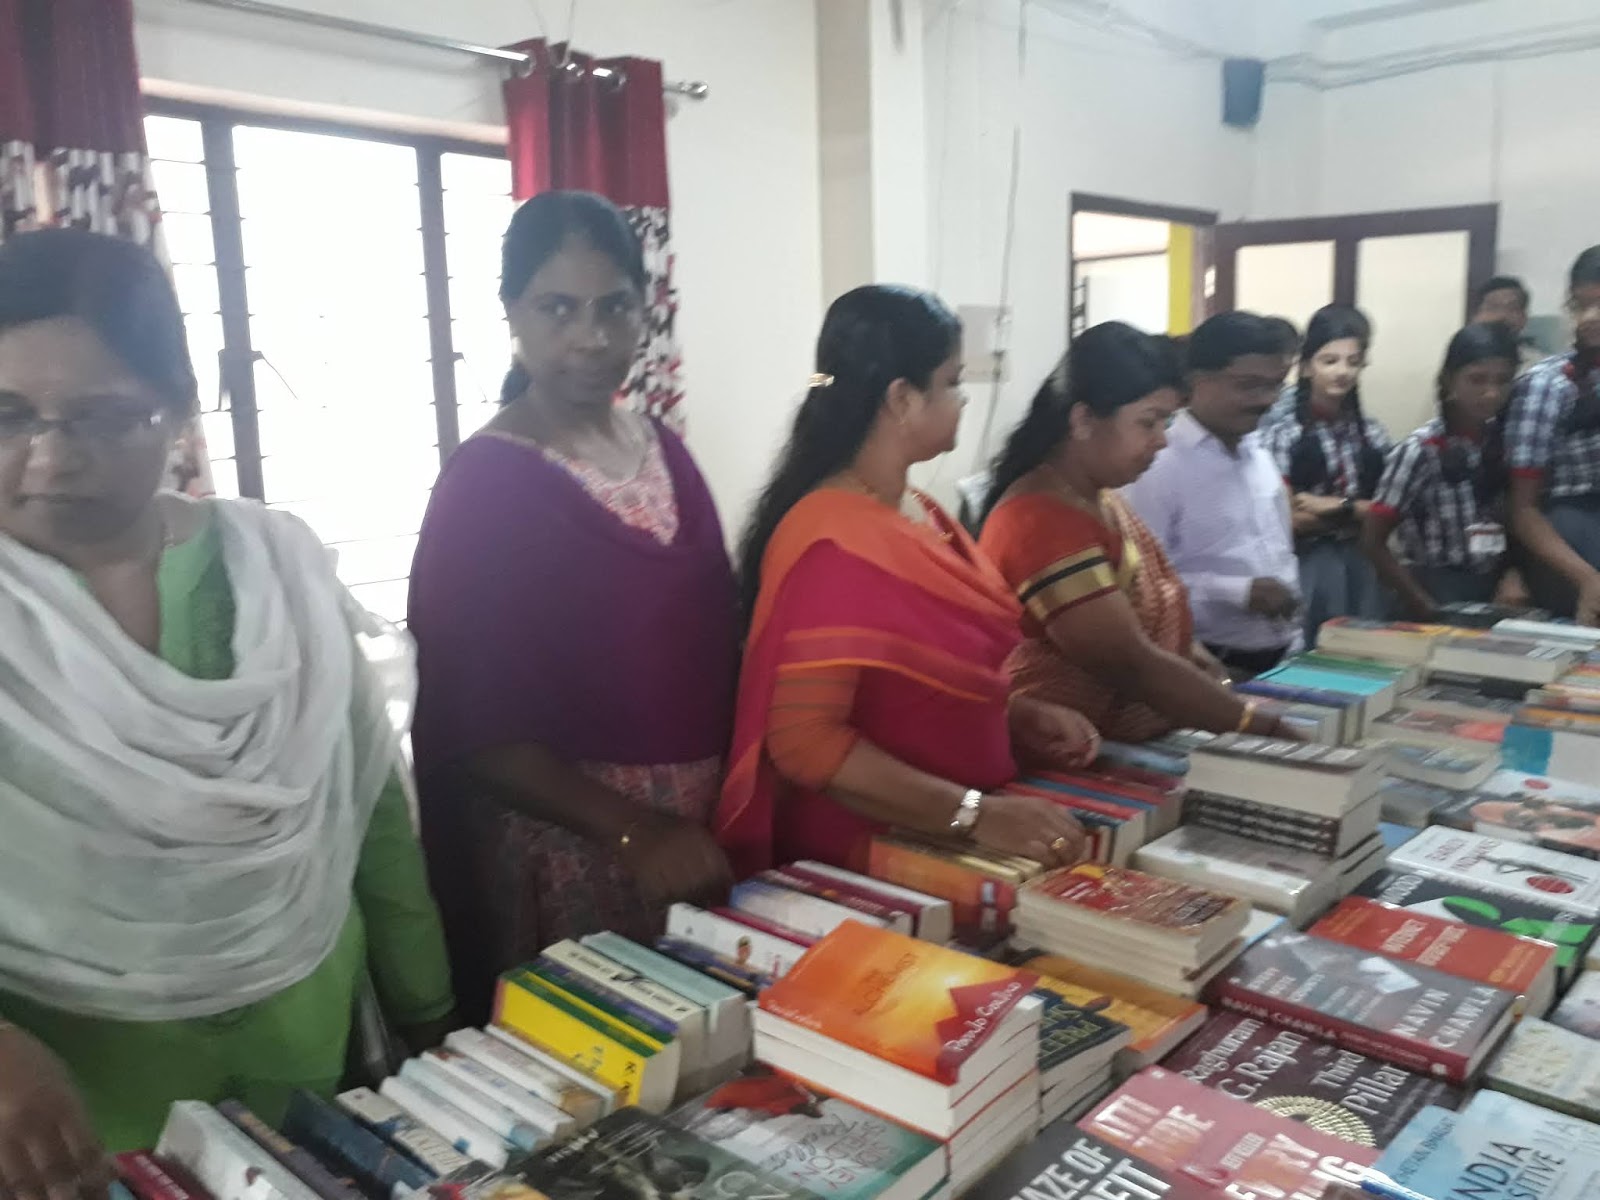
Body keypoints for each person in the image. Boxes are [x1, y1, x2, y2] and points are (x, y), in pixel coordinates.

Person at [0, 230, 453, 1162]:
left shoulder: (274, 570)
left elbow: (369, 817)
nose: (49, 462)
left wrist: (432, 1012)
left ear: (174, 409)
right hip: (78, 1120)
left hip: (312, 1059)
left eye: (100, 417)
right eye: (8, 415)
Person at [408, 192, 738, 1022]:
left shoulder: (666, 452)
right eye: (559, 308)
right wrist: (633, 831)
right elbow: (472, 724)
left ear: (644, 310)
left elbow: (711, 640)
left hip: (698, 840)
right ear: (512, 313)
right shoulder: (487, 485)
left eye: (613, 307)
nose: (591, 337)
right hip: (577, 851)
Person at [714, 285, 1092, 879]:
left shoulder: (918, 507)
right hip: (876, 855)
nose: (964, 400)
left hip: (954, 833)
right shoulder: (831, 541)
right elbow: (806, 742)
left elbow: (910, 684)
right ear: (901, 398)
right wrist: (974, 813)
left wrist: (1011, 712)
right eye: (952, 381)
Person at [978, 321, 1299, 742]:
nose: (1162, 441)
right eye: (1149, 423)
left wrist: (1206, 673)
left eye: (1167, 422)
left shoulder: (1097, 497)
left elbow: (1157, 629)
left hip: (1130, 741)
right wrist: (1257, 726)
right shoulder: (1038, 520)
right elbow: (1131, 664)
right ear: (1083, 419)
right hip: (1068, 750)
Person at [1123, 313, 1301, 679]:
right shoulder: (1158, 465)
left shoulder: (1259, 453)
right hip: (1209, 665)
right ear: (1197, 380)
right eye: (1249, 385)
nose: (1265, 400)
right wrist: (1238, 592)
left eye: (1275, 386)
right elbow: (1140, 587)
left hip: (1283, 657)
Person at [1361, 323, 1521, 618]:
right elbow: (1373, 541)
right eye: (1477, 380)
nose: (1491, 393)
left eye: (1503, 380)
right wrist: (1420, 601)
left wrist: (1512, 573)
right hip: (1432, 586)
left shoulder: (1501, 444)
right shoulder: (1420, 450)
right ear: (1449, 380)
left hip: (1492, 585)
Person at [1260, 304, 1393, 641]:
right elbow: (1290, 521)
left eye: (1353, 362)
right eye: (1329, 361)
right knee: (1307, 652)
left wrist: (1336, 505)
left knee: (1362, 652)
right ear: (1306, 367)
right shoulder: (1283, 432)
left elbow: (1390, 512)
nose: (1342, 372)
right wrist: (1358, 512)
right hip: (1306, 563)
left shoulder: (1371, 433)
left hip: (1362, 561)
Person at [1506, 246, 1600, 622]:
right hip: (1569, 548)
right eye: (1580, 306)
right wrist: (1588, 579)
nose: (1590, 318)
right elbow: (1521, 508)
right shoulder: (1546, 384)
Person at [1471, 274, 1542, 374]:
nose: (1503, 316)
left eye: (1513, 308)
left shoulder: (1538, 366)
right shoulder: (1459, 358)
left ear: (1524, 317)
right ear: (1475, 316)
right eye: (1493, 307)